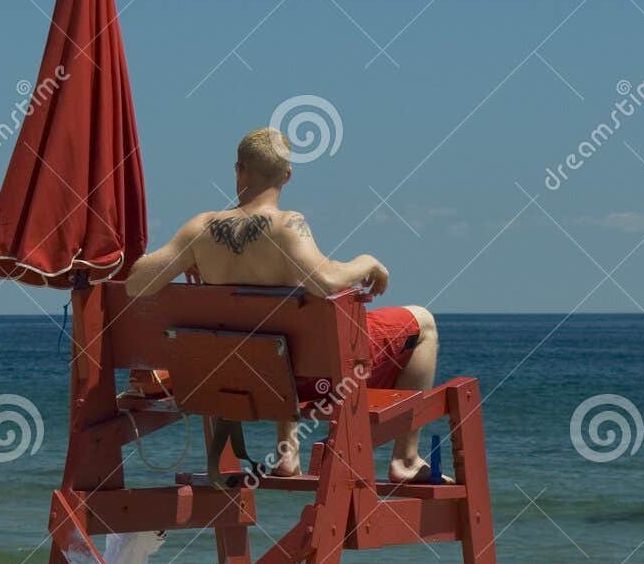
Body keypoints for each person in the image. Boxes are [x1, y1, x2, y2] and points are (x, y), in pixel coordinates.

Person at [123, 126, 442, 483]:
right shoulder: (287, 225)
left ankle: (288, 452)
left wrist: (191, 259)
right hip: (307, 380)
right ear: (287, 175)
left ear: (238, 169)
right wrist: (367, 261)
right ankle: (406, 460)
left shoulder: (200, 229)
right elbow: (325, 281)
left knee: (277, 338)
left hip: (240, 376)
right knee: (423, 322)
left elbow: (136, 283)